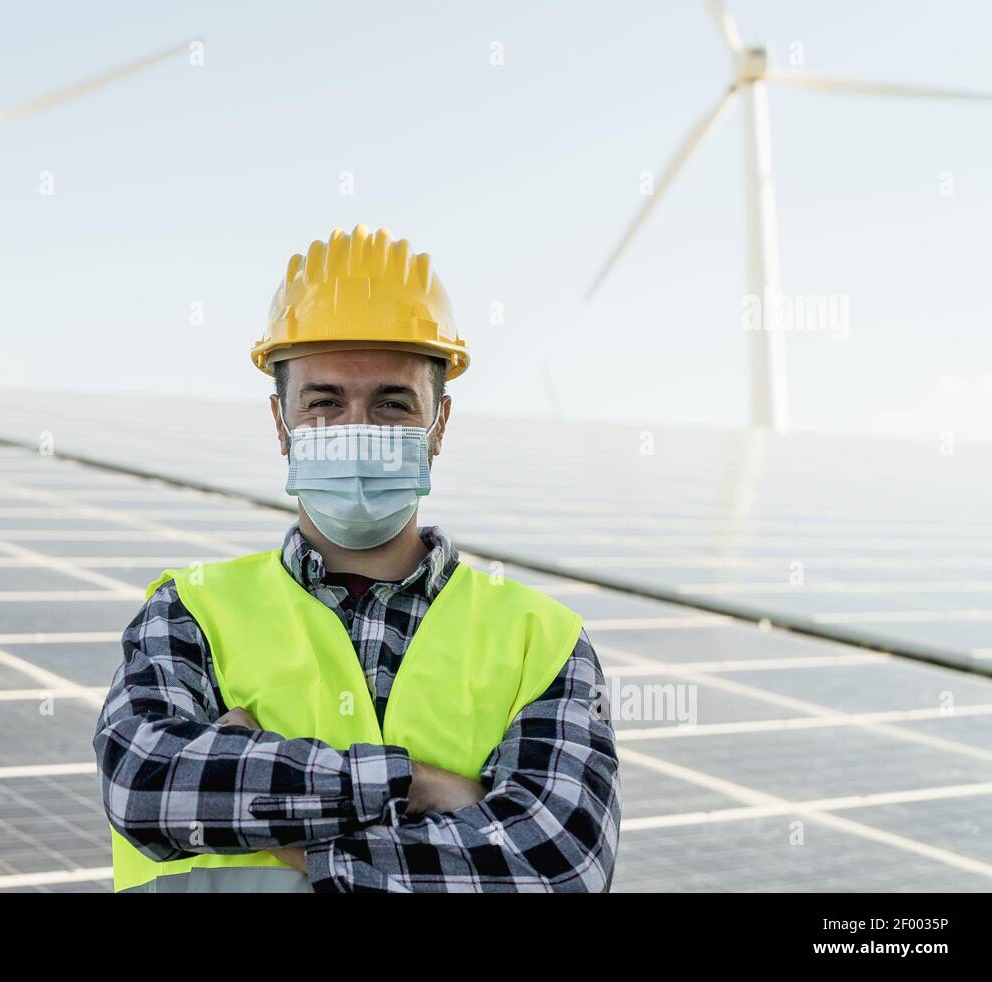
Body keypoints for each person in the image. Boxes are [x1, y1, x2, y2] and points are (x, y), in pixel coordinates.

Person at [94, 225, 621, 892]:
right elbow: (147, 785)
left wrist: (287, 828)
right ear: (281, 422)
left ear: (441, 424)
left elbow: (558, 868)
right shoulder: (191, 611)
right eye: (324, 402)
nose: (356, 431)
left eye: (391, 404)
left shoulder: (541, 642)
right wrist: (419, 785)